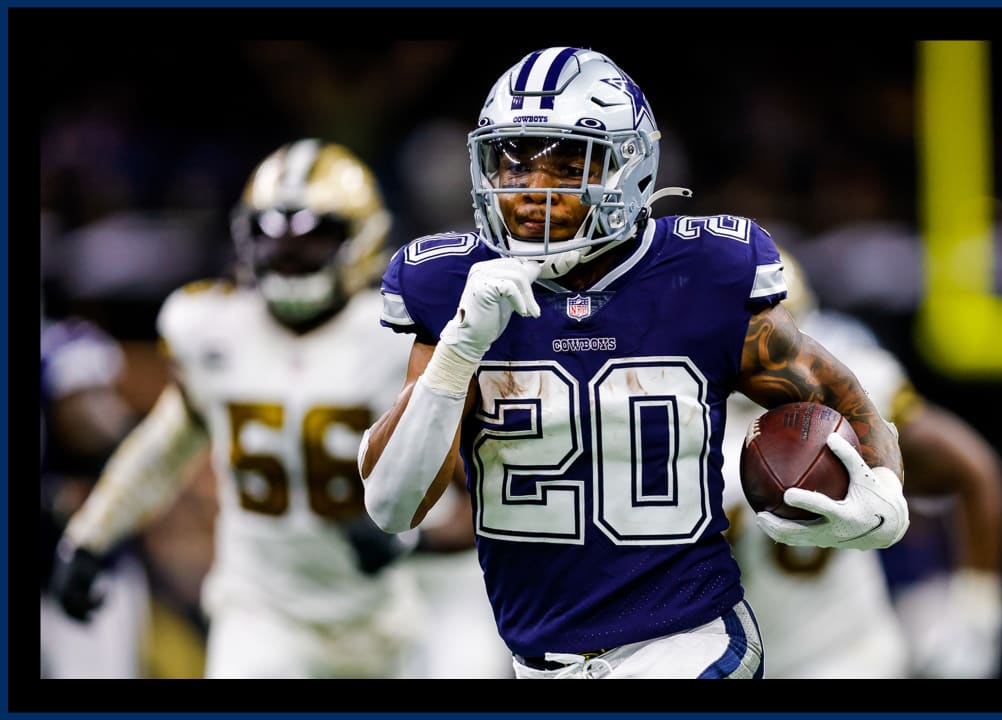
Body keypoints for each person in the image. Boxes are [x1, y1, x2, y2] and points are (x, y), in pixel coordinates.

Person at [358, 46, 907, 680]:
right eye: (513, 162)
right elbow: (393, 505)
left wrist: (886, 490)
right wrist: (458, 349)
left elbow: (843, 396)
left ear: (631, 168)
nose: (534, 192)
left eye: (569, 165)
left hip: (691, 636)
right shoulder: (448, 283)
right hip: (540, 661)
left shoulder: (703, 273)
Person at [50, 139, 452, 678]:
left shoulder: (395, 338)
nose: (286, 256)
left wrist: (409, 534)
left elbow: (452, 474)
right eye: (271, 236)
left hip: (381, 620)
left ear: (362, 238)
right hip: (261, 615)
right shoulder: (214, 328)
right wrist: (91, 535)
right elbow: (167, 444)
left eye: (311, 240)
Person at [721, 247, 1002, 678]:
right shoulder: (670, 410)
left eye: (773, 331)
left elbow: (971, 468)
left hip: (848, 658)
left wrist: (977, 614)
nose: (761, 349)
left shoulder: (855, 389)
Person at [40, 308, 151, 678]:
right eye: (83, 394)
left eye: (102, 390)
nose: (100, 408)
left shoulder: (121, 445)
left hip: (96, 584)